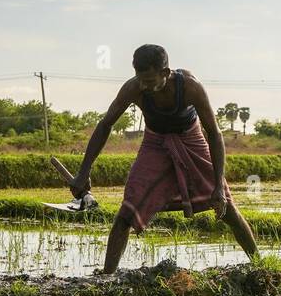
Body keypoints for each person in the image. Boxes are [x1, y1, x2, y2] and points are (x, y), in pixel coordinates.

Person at [70, 44, 259, 273]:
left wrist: (218, 185)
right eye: (140, 79)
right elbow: (105, 125)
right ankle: (107, 277)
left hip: (191, 138)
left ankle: (260, 265)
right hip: (155, 142)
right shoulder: (133, 88)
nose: (144, 86)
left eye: (149, 81)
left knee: (225, 207)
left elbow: (214, 133)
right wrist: (84, 171)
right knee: (127, 211)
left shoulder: (190, 87)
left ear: (166, 74)